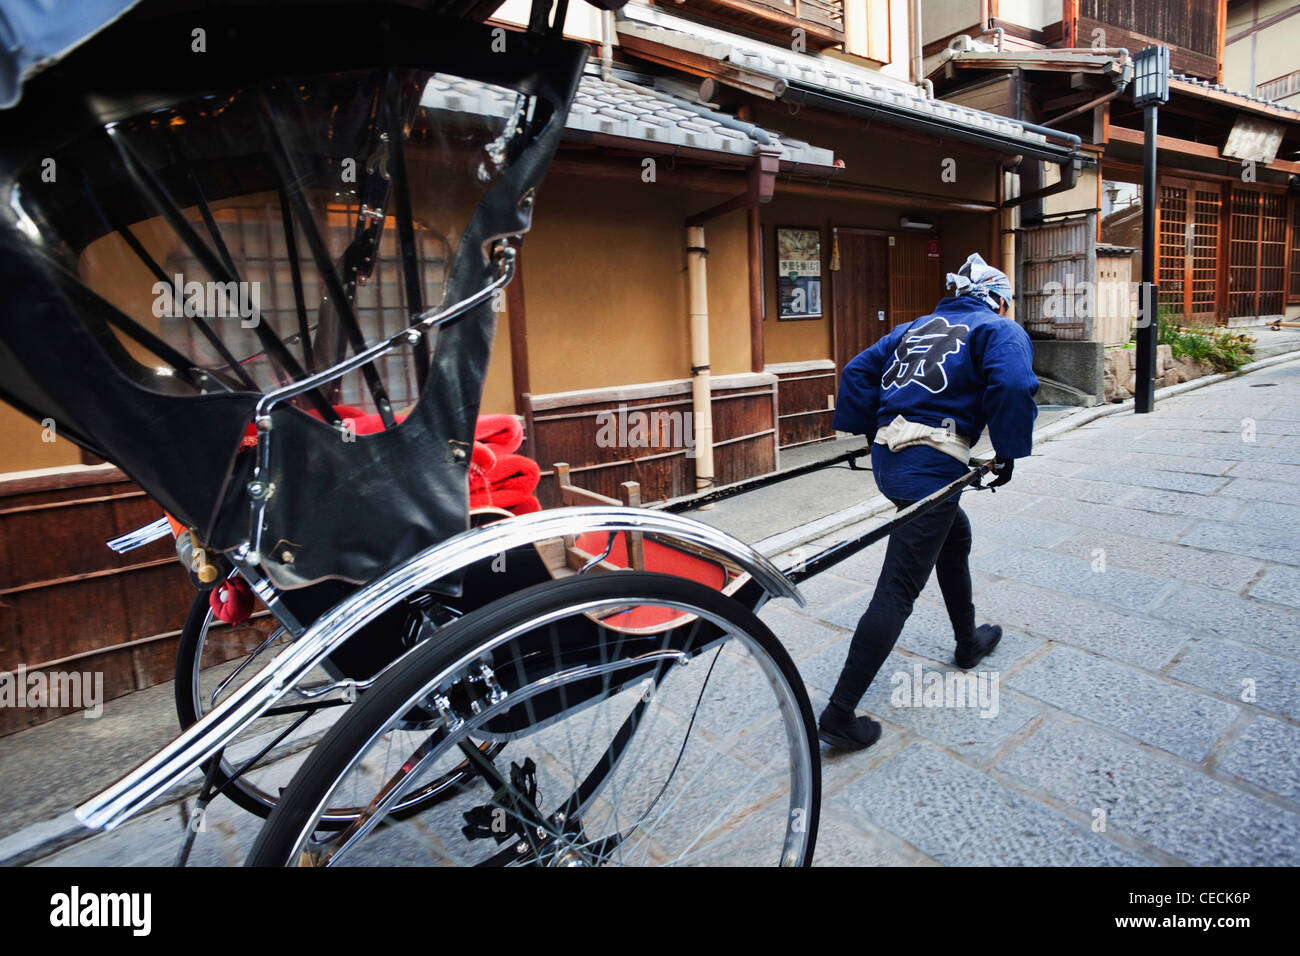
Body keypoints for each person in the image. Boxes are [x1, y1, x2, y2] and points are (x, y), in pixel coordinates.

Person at [817, 252, 1039, 751]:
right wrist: (1008, 451)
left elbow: (856, 370)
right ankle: (839, 714)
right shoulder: (999, 329)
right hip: (931, 465)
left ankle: (968, 641)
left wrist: (863, 430)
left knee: (954, 535)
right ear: (999, 300)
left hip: (889, 462)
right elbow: (1014, 384)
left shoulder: (911, 328)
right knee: (898, 589)